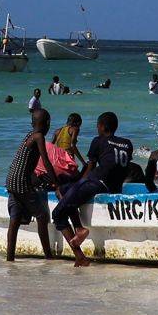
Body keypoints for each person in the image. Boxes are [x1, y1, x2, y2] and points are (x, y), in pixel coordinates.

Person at [51, 112, 134, 266]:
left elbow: (90, 166)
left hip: (97, 183)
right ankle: (78, 228)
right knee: (63, 190)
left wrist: (80, 183)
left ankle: (80, 256)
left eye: (97, 126)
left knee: (57, 214)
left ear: (102, 127)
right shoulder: (127, 144)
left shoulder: (98, 140)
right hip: (115, 187)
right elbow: (125, 167)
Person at [4, 109, 61, 263]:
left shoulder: (29, 135)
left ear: (32, 123)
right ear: (47, 123)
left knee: (15, 219)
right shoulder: (39, 137)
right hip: (21, 182)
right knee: (42, 215)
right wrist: (57, 184)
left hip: (11, 180)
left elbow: (25, 163)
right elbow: (46, 160)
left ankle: (10, 258)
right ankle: (48, 256)